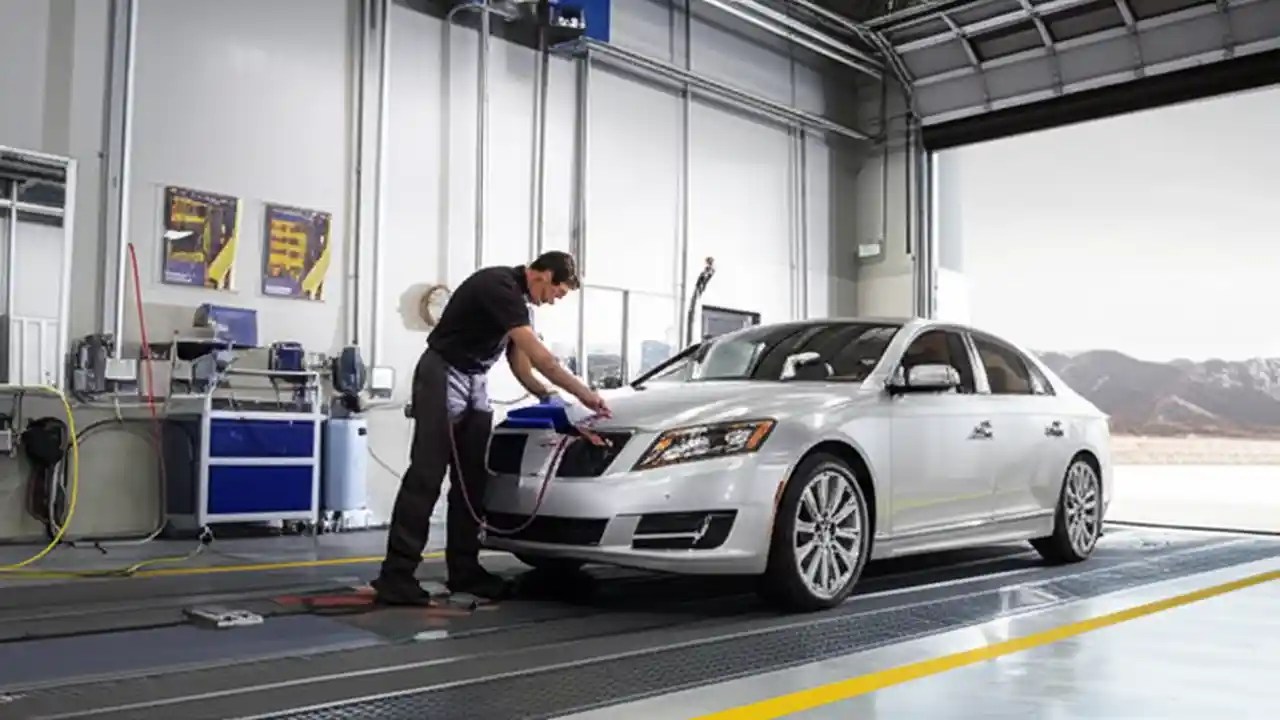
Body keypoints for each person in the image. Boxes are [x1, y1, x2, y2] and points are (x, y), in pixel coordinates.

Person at [372, 250, 610, 604]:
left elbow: (522, 365)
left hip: (475, 380)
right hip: (443, 372)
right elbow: (542, 357)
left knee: (472, 480)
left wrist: (550, 398)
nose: (554, 302)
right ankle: (397, 574)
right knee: (427, 473)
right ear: (543, 275)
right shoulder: (497, 285)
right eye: (557, 293)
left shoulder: (520, 308)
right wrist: (586, 394)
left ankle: (465, 571)